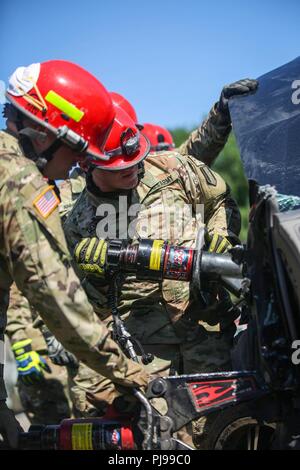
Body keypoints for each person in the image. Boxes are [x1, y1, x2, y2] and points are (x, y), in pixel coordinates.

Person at [62, 100, 241, 445]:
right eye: (119, 166)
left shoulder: (174, 169)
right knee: (164, 439)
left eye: (134, 159)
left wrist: (222, 235)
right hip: (149, 354)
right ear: (88, 164)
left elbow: (220, 200)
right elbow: (88, 313)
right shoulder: (79, 223)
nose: (132, 169)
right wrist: (95, 278)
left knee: (225, 428)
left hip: (206, 330)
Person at [0, 59, 148, 447]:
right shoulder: (20, 184)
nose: (76, 169)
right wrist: (132, 374)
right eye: (78, 152)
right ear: (46, 135)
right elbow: (56, 297)